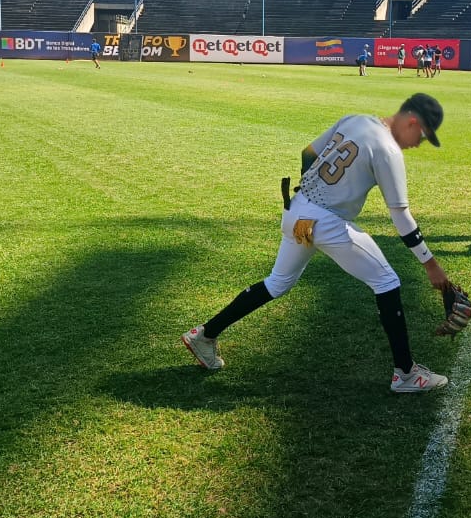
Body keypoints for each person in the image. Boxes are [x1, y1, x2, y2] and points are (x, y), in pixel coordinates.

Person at [181, 94, 453, 393]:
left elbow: (308, 153)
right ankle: (406, 374)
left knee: (277, 283)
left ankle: (204, 335)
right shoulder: (388, 149)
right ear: (412, 121)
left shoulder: (356, 119)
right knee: (387, 281)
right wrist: (431, 265)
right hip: (327, 222)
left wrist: (311, 193)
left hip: (297, 210)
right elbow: (401, 216)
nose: (418, 143)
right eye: (422, 136)